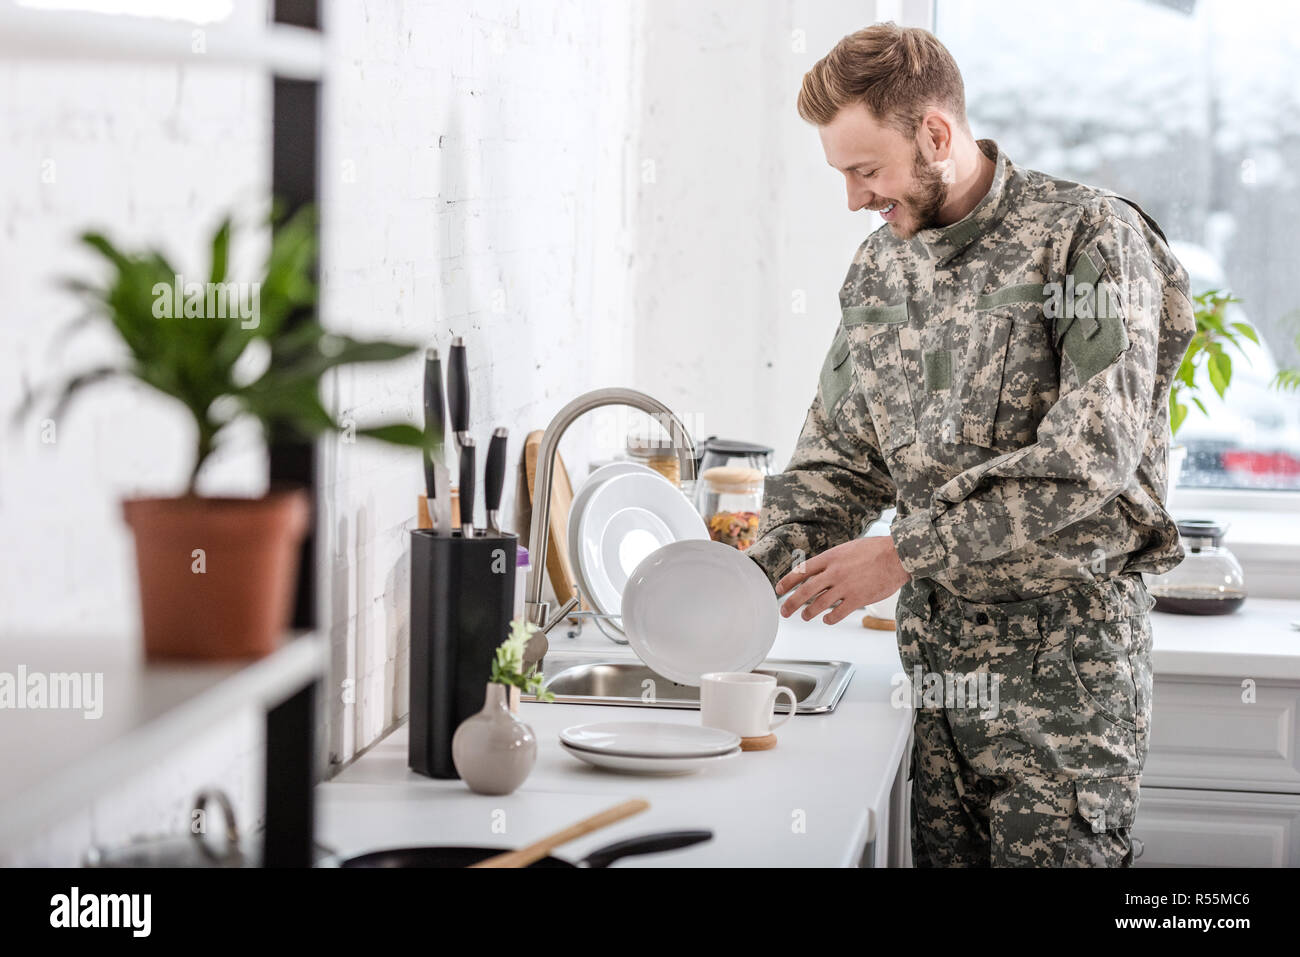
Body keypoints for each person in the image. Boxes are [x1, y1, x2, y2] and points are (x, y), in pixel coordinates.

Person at [745, 23, 1196, 867]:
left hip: (1065, 686)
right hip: (937, 681)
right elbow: (838, 460)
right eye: (841, 174)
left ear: (936, 135)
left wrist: (903, 550)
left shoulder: (1087, 238)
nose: (853, 198)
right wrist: (744, 578)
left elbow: (1086, 458)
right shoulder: (879, 270)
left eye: (864, 169)